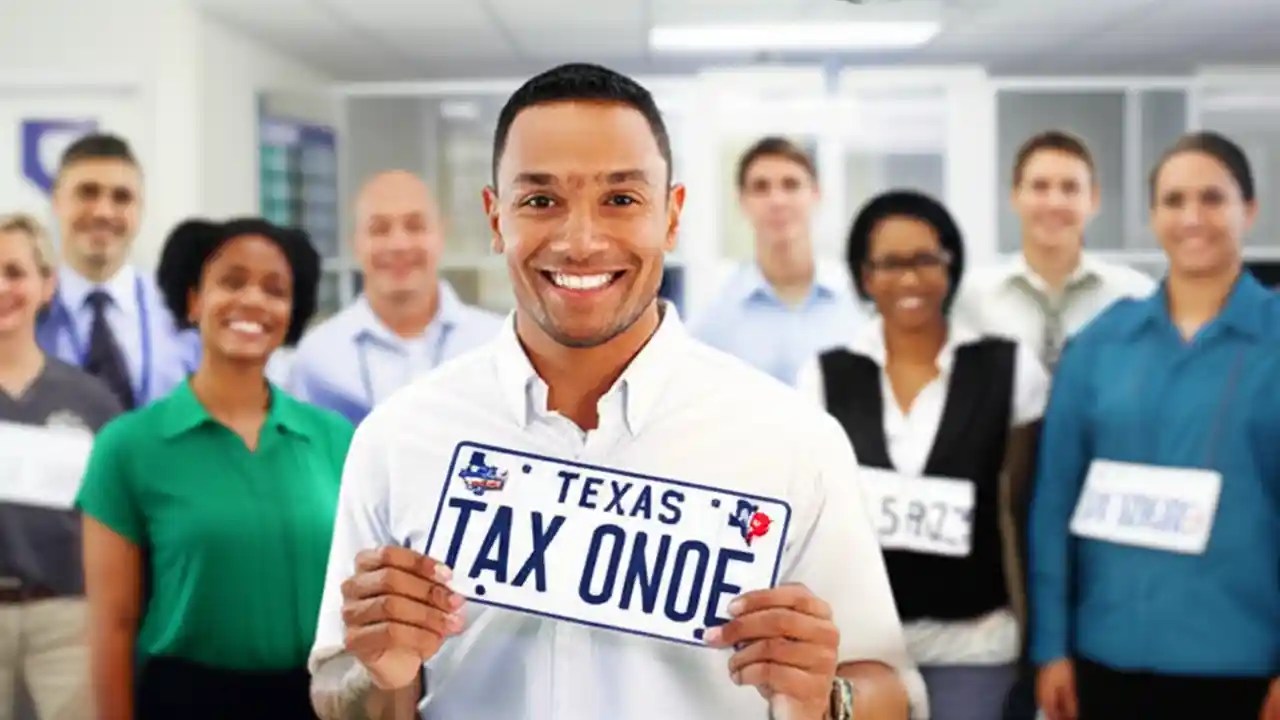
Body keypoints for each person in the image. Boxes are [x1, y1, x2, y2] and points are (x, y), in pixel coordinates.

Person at [308, 63, 925, 720]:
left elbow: (891, 688)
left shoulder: (793, 441)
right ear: (496, 217)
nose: (580, 241)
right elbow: (334, 689)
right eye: (540, 200)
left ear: (671, 215)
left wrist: (826, 699)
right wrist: (381, 676)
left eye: (621, 200)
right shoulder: (398, 438)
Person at [1030, 131, 1280, 720]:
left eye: (1212, 199)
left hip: (1241, 663)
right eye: (1173, 201)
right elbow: (1052, 504)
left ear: (1250, 209)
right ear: (1151, 216)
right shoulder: (1099, 344)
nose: (1192, 217)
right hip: (1106, 657)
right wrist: (1049, 649)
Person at [74, 218, 355, 719]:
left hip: (313, 698)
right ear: (192, 300)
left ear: (291, 313)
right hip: (185, 699)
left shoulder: (336, 438)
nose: (252, 300)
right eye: (231, 281)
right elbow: (112, 626)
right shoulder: (128, 447)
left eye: (275, 290)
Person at [796, 191, 1048, 720]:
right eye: (889, 263)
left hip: (976, 640)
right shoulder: (826, 376)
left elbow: (1032, 506)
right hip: (863, 647)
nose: (909, 279)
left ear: (951, 266)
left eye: (925, 260)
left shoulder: (1009, 368)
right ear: (865, 277)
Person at [0, 214, 122, 720]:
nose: (1, 287)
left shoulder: (91, 402)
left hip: (68, 619)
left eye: (14, 271)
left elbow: (118, 520)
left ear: (47, 285)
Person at [288, 170, 502, 423]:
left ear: (442, 234)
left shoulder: (496, 343)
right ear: (355, 242)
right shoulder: (318, 357)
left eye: (415, 226)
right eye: (379, 229)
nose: (399, 244)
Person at [952, 130, 1155, 373]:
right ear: (1015, 196)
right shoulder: (970, 298)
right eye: (1039, 187)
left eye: (1070, 188)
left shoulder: (1136, 295)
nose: (1054, 203)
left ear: (1094, 199)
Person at [35, 133, 198, 410]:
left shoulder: (181, 310)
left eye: (122, 197)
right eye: (87, 193)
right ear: (56, 201)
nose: (103, 212)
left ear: (140, 209)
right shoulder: (25, 308)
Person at [691, 136, 866, 386]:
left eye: (791, 185)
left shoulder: (859, 306)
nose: (777, 201)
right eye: (761, 187)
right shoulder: (714, 317)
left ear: (816, 195)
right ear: (742, 202)